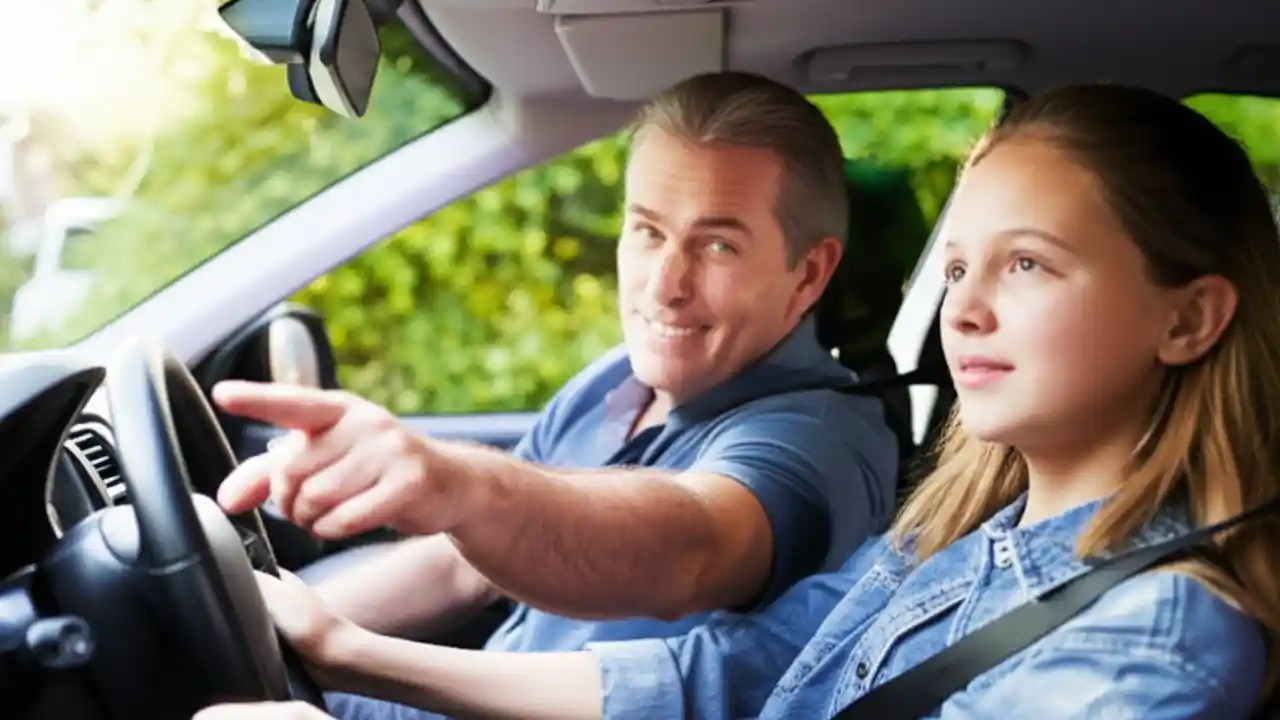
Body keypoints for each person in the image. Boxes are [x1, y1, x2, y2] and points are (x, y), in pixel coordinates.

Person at [196, 83, 1280, 719]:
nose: (964, 313)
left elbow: (687, 553)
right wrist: (342, 653)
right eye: (955, 269)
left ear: (1187, 320)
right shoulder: (969, 531)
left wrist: (446, 487)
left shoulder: (1153, 645)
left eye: (1029, 266)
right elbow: (725, 677)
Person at [206, 71, 900, 717]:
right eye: (648, 231)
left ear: (808, 276)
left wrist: (458, 485)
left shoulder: (822, 439)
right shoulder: (618, 377)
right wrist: (256, 627)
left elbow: (693, 546)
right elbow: (462, 567)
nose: (664, 285)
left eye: (717, 247)